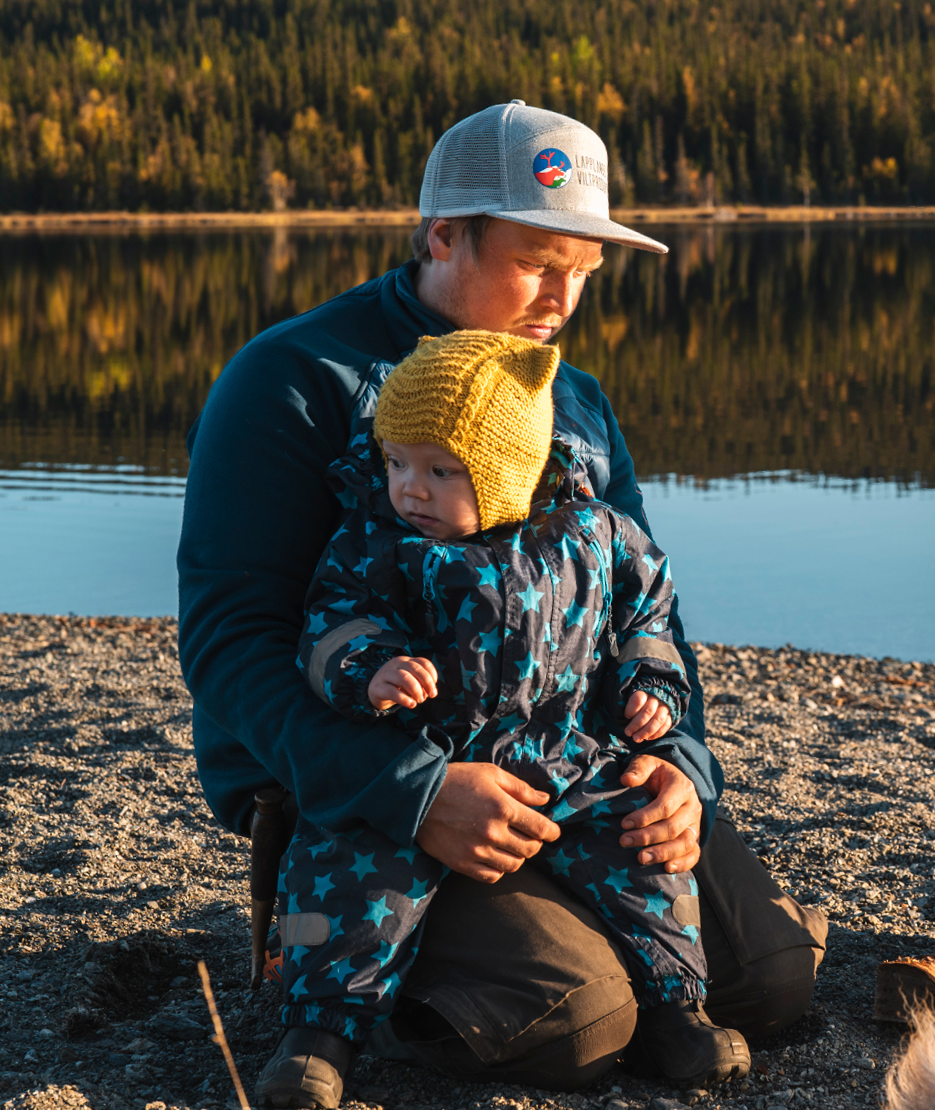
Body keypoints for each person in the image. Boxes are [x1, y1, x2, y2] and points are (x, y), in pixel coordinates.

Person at [178, 102, 825, 1106]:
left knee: (769, 982)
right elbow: (230, 648)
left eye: (583, 271)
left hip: (572, 764)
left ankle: (560, 928)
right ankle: (334, 971)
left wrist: (680, 765)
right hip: (365, 788)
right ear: (444, 234)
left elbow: (643, 611)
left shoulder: (574, 401)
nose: (561, 299)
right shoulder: (294, 379)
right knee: (576, 1021)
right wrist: (414, 790)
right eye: (537, 262)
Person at [266, 329, 750, 1103]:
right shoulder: (378, 542)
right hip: (429, 760)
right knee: (355, 872)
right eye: (396, 462)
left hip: (567, 756)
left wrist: (653, 682)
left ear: (506, 473)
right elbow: (329, 626)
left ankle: (674, 1009)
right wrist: (369, 667)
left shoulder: (595, 535)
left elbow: (649, 614)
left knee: (645, 855)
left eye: (439, 470)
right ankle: (319, 1034)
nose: (409, 489)